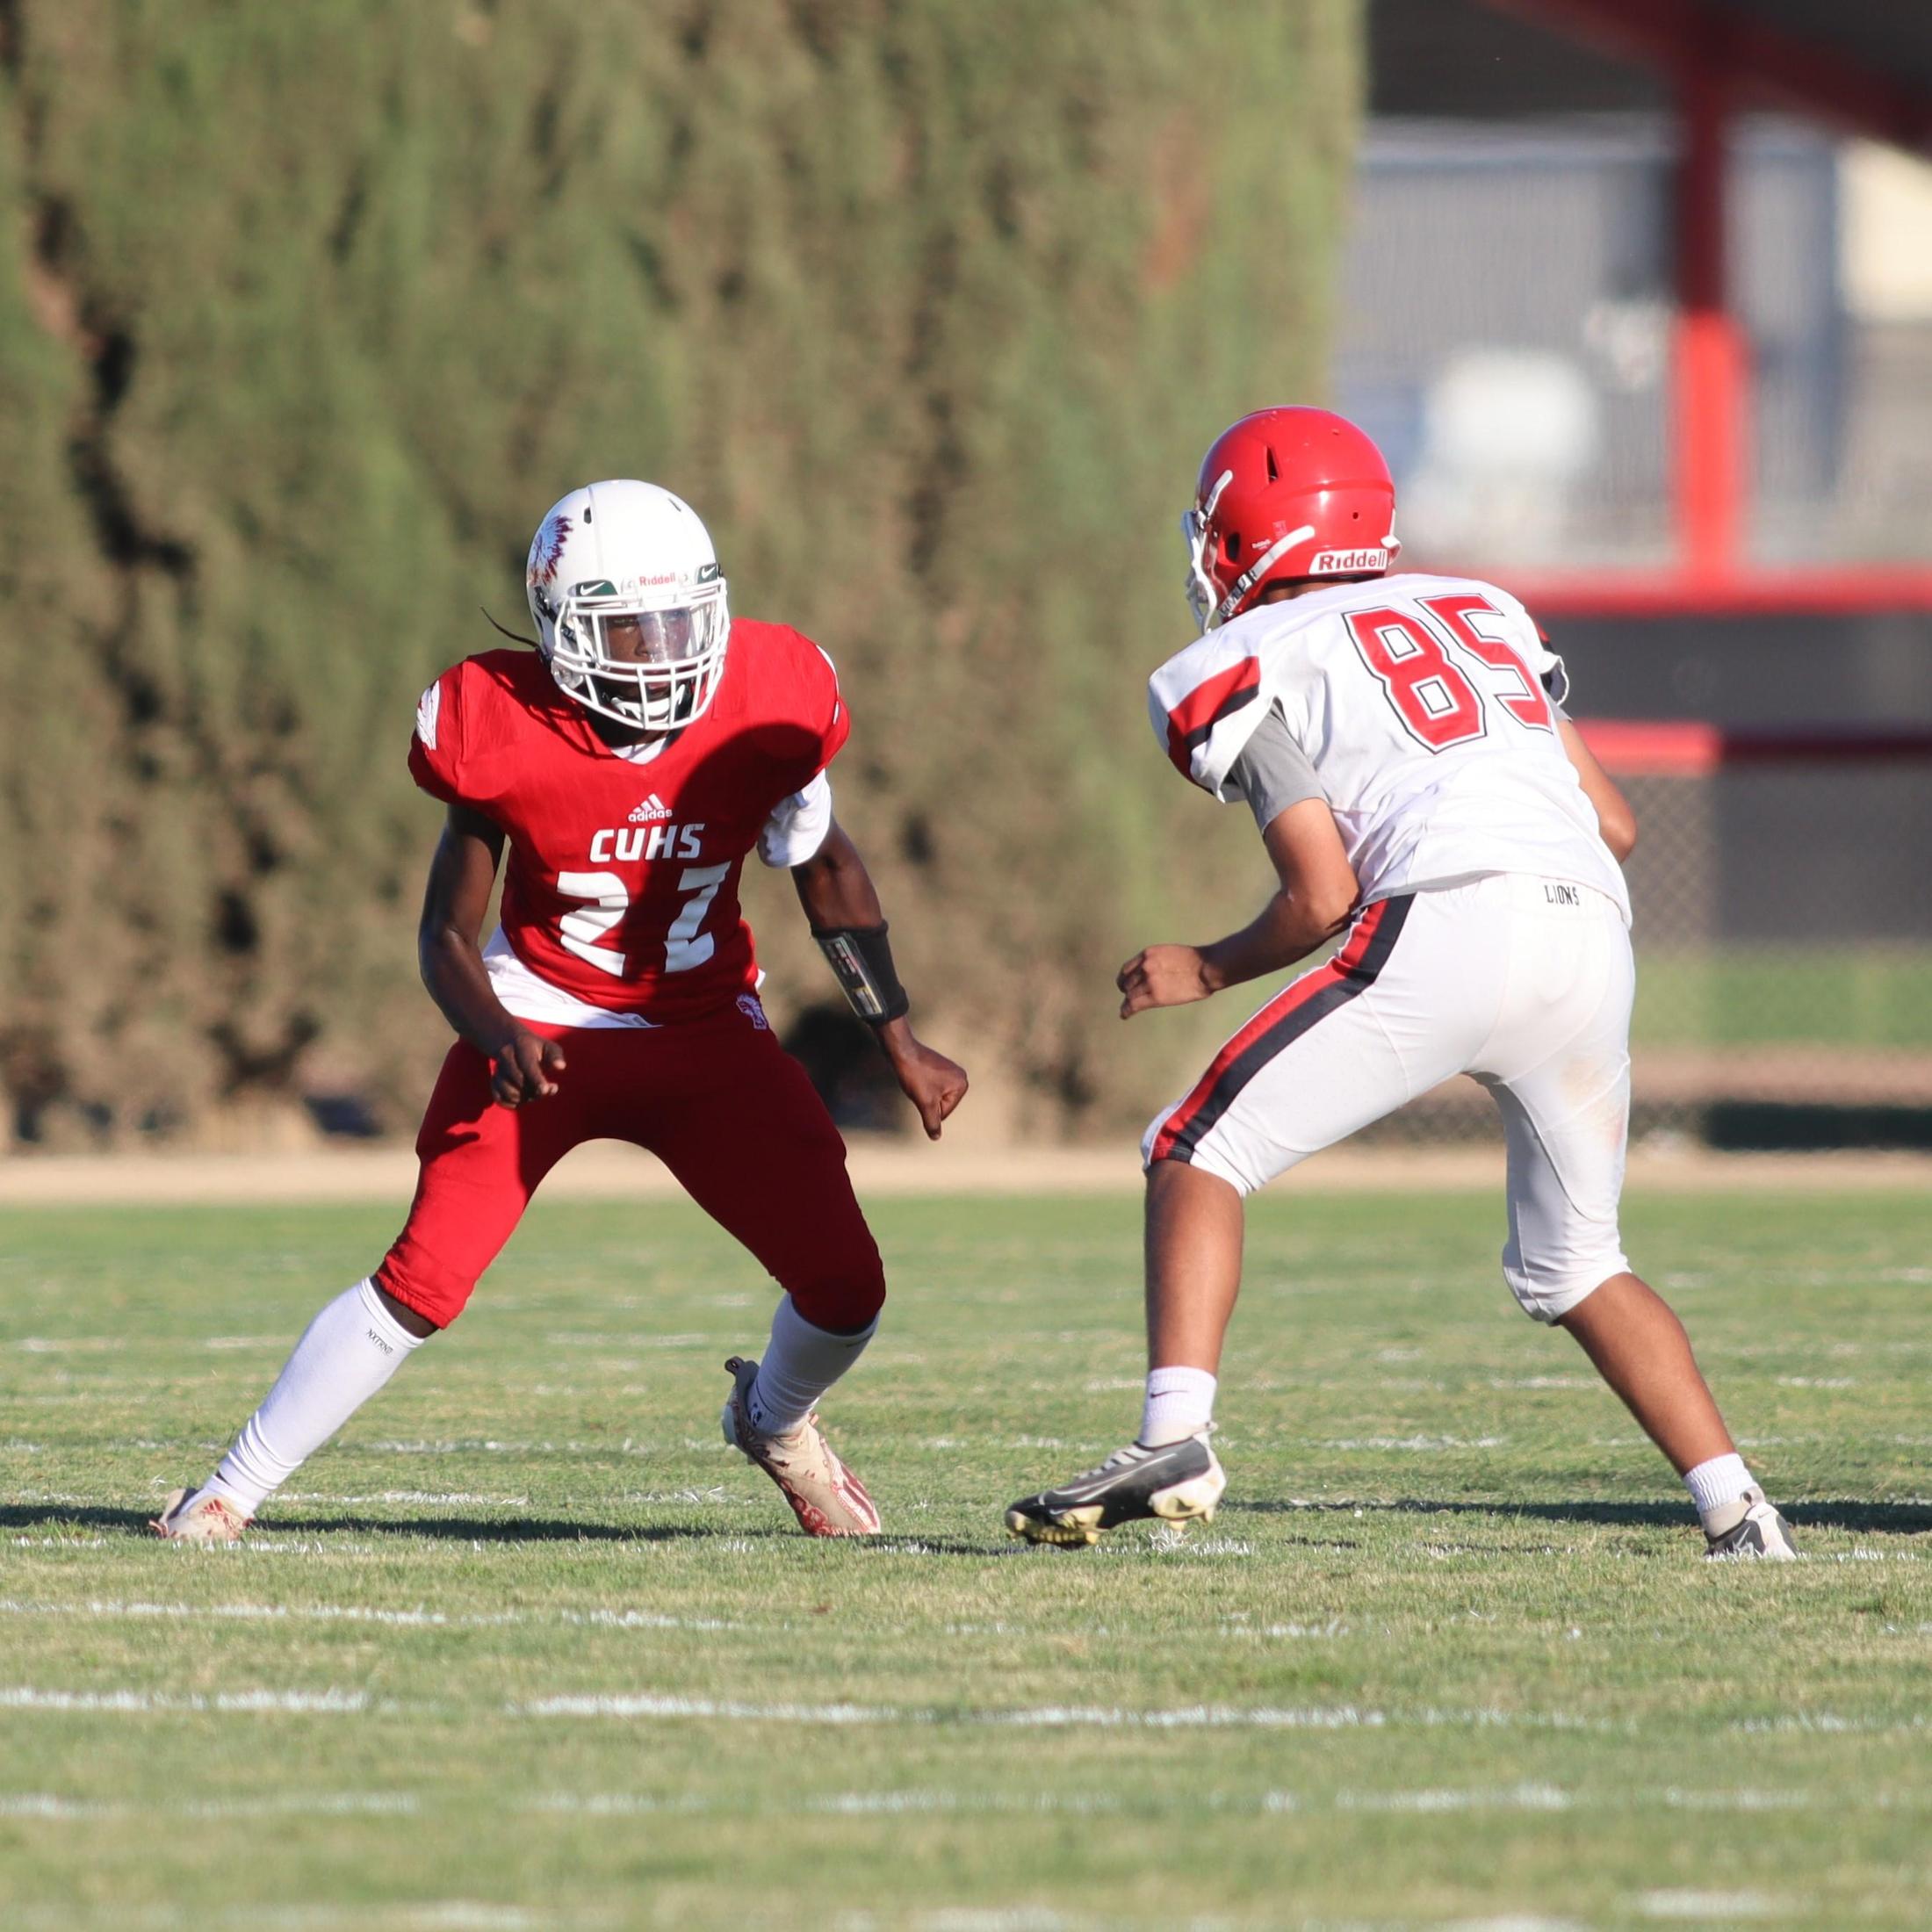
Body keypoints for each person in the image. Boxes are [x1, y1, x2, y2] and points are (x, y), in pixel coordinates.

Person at [1006, 407, 1793, 1560]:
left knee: (1194, 1147)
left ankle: (1176, 1433)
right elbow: (1614, 822)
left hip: (1447, 921)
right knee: (1581, 1263)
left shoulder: (1235, 662)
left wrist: (1207, 966)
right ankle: (1740, 1512)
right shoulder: (1482, 611)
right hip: (1590, 935)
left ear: (1243, 543)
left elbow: (1322, 893)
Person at [154, 479, 967, 1543]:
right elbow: (444, 934)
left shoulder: (768, 703)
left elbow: (824, 868)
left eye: (682, 619)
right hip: (540, 1025)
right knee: (421, 1283)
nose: (664, 650)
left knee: (847, 1288)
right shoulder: (496, 725)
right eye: (630, 627)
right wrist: (495, 1033)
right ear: (563, 627)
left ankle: (775, 1422)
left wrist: (895, 1037)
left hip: (706, 1032)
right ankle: (228, 1490)